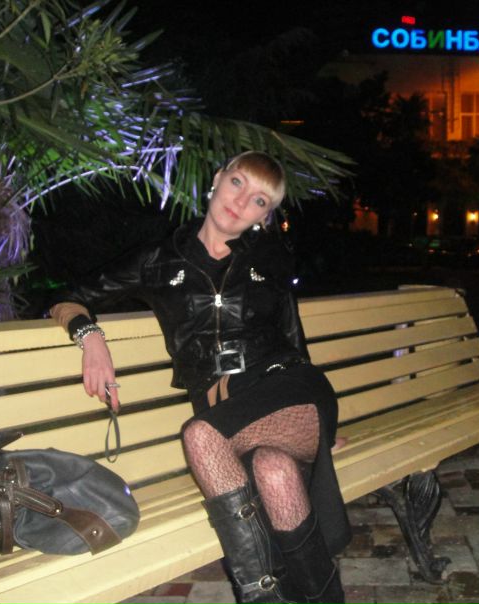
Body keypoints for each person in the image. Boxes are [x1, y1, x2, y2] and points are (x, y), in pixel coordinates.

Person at [49, 151, 351, 604]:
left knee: (201, 436)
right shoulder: (157, 259)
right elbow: (68, 298)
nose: (241, 201)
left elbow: (293, 336)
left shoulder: (269, 256)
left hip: (289, 390)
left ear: (264, 217)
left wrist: (317, 425)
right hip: (225, 411)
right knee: (272, 469)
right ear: (217, 179)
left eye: (259, 200)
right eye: (237, 183)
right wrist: (90, 338)